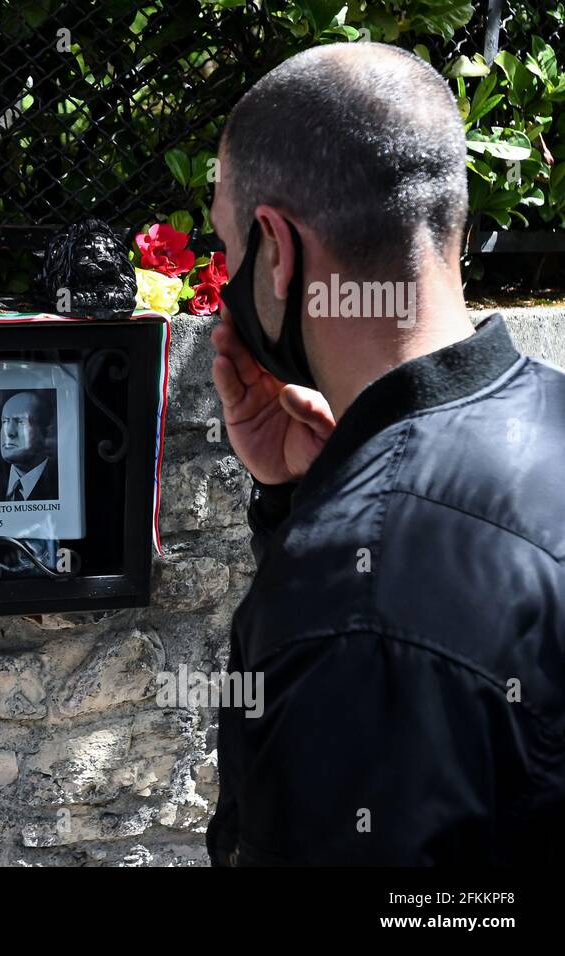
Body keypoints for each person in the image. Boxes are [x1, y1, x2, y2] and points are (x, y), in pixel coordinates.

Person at [206, 42, 565, 865]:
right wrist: (310, 496)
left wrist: (339, 524)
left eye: (228, 250)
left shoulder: (347, 605)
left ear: (277, 250)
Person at [0, 391, 59, 502]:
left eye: (21, 422)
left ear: (47, 431)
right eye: (5, 421)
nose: (9, 432)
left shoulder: (62, 483)